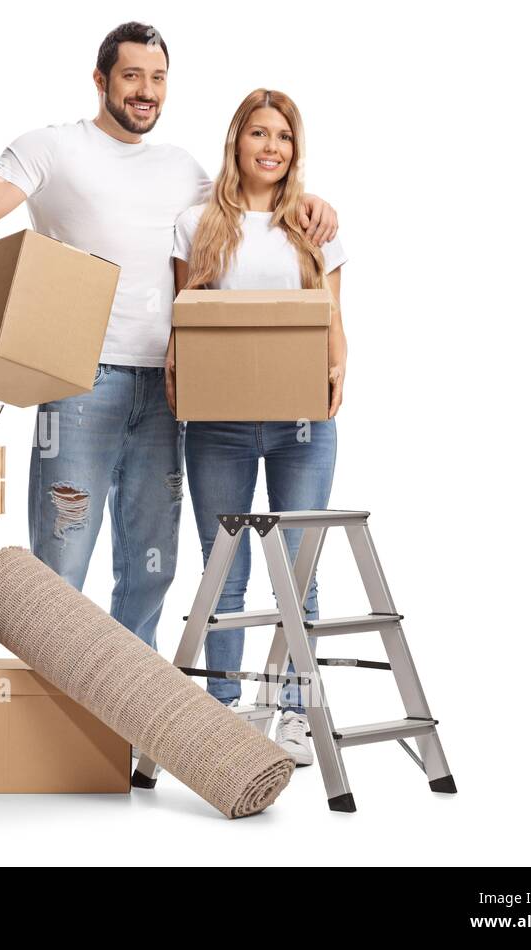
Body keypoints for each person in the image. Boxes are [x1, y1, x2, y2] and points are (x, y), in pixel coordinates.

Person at [0, 23, 338, 649]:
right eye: (131, 76)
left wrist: (313, 203)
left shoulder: (183, 169)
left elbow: (250, 205)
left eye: (157, 78)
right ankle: (51, 719)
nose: (146, 91)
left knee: (151, 569)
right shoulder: (50, 149)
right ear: (100, 80)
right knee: (60, 566)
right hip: (79, 382)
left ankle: (124, 727)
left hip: (170, 392)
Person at [167, 88, 347, 765]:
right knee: (225, 572)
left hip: (301, 423)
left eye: (283, 136)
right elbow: (183, 322)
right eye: (257, 133)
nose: (270, 147)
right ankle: (221, 712)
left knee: (300, 574)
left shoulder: (315, 225)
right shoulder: (196, 225)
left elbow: (334, 321)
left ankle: (297, 713)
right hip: (219, 425)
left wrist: (338, 371)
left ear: (294, 149)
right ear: (236, 143)